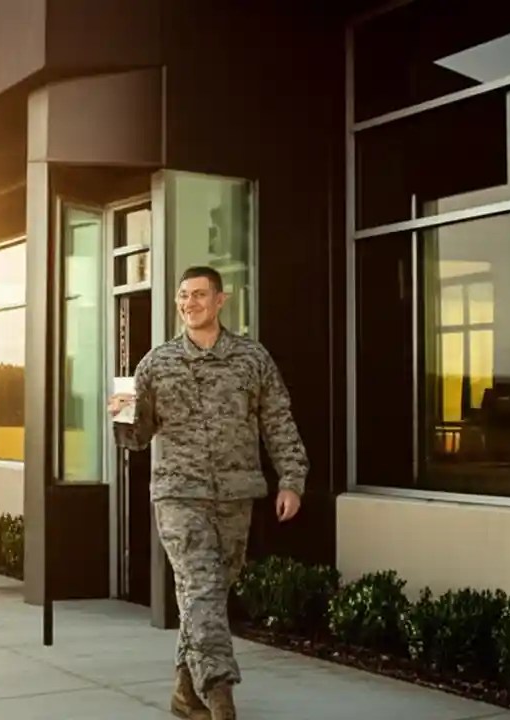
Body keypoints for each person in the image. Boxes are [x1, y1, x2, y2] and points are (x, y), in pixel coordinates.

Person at [108, 265, 308, 720]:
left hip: (236, 496)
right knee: (200, 589)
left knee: (210, 597)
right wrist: (122, 416)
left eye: (199, 295)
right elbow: (138, 438)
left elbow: (278, 423)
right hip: (179, 496)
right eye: (183, 296)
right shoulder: (156, 364)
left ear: (221, 300)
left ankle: (184, 692)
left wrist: (291, 481)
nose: (189, 303)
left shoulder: (252, 359)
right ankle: (220, 694)